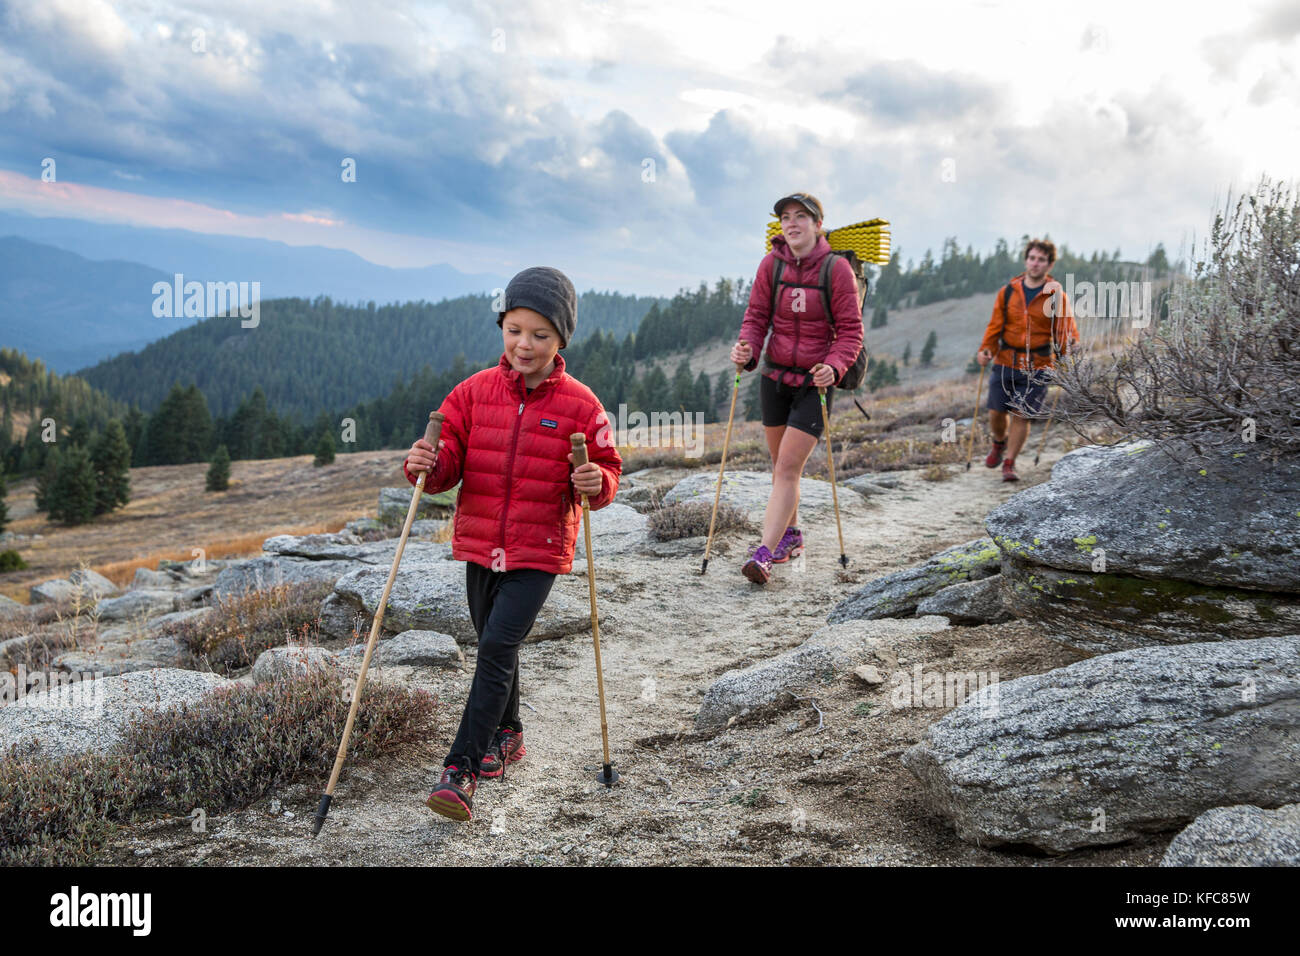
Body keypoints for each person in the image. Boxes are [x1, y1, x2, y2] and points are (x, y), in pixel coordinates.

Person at [402, 266, 622, 822]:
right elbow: (446, 467)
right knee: (497, 643)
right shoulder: (471, 394)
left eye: (540, 335)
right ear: (503, 326)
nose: (525, 345)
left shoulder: (581, 405)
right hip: (481, 544)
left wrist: (597, 482)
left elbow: (607, 473)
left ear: (562, 340)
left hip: (539, 548)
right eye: (514, 330)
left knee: (496, 646)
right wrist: (424, 464)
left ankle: (461, 770)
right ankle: (509, 733)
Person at [730, 192, 864, 584]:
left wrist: (834, 367)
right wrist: (748, 348)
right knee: (780, 470)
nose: (792, 223)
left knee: (788, 468)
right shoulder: (770, 266)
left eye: (801, 217)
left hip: (815, 384)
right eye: (785, 217)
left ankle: (764, 554)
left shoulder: (837, 270)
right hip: (774, 378)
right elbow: (756, 317)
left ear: (818, 225)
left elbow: (851, 333)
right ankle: (792, 534)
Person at [976, 238, 1080, 481]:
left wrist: (1069, 351)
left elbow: (1065, 329)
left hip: (1040, 364)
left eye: (1041, 260)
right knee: (995, 411)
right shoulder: (1008, 292)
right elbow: (995, 326)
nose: (1035, 264)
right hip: (1005, 359)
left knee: (1022, 414)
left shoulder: (1056, 296)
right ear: (1026, 260)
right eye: (1032, 258)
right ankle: (999, 443)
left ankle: (1009, 463)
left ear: (1049, 264)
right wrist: (985, 349)